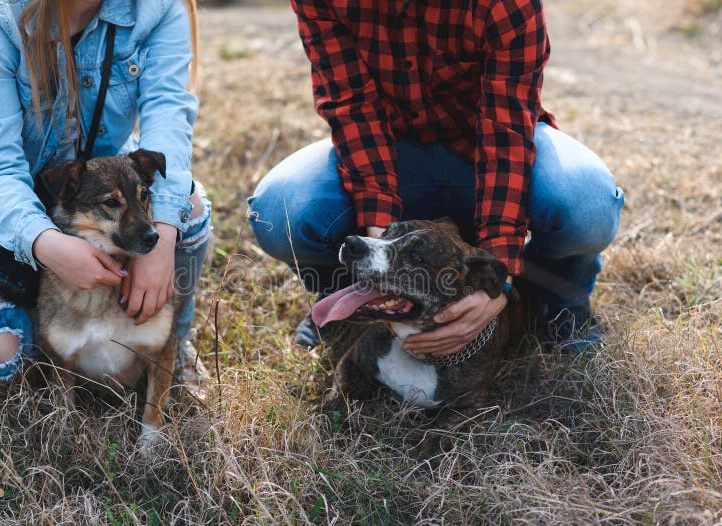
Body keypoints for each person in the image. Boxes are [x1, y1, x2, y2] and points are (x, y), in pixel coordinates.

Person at [248, 0, 624, 356]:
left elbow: (504, 134)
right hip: (392, 152)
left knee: (587, 205)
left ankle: (557, 301)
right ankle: (348, 296)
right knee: (279, 209)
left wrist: (498, 280)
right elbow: (352, 109)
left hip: (483, 148)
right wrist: (380, 255)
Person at [0, 0, 211, 382]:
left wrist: (163, 239)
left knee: (185, 208)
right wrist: (47, 244)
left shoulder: (156, 9)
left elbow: (168, 123)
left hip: (90, 182)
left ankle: (170, 338)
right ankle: (18, 310)